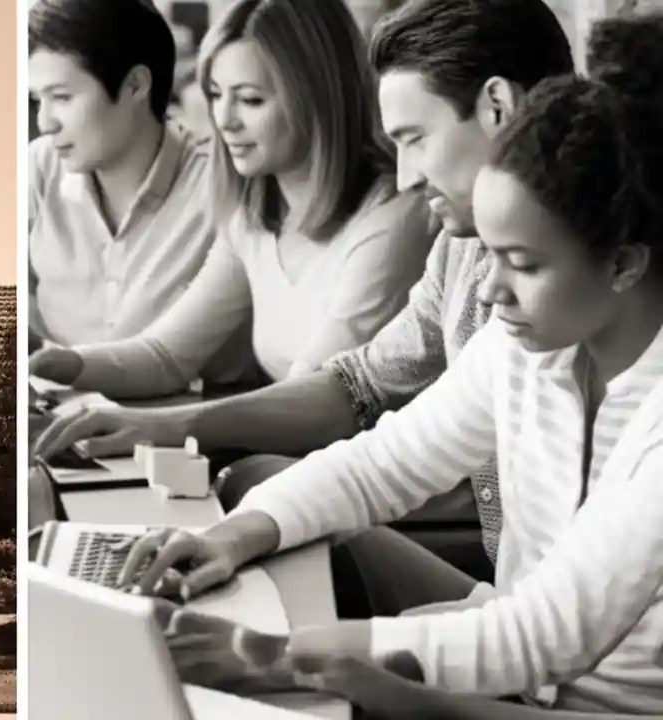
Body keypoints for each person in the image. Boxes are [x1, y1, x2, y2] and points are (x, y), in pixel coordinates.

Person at [125, 14, 663, 715]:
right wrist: (228, 538)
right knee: (272, 533)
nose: (491, 290)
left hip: (586, 699)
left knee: (339, 686)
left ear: (623, 264)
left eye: (523, 263)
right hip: (519, 660)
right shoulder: (528, 341)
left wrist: (277, 656)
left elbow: (542, 634)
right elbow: (389, 459)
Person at [33, 0, 577, 560]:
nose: (407, 178)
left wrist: (181, 438)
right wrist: (160, 431)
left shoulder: (422, 229)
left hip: (461, 550)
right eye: (216, 95)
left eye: (415, 139)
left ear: (497, 108)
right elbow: (366, 402)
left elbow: (558, 603)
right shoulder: (456, 249)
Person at [30, 0, 433, 400]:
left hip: (336, 437)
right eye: (216, 94)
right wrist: (60, 363)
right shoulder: (253, 216)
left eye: (251, 99)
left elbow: (315, 395)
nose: (224, 120)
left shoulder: (395, 216)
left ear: (319, 96)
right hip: (284, 435)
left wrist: (167, 427)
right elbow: (167, 355)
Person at [28, 0, 217, 353]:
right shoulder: (38, 168)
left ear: (135, 85)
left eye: (62, 97)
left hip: (189, 390)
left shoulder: (219, 183)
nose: (45, 123)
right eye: (38, 100)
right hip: (51, 387)